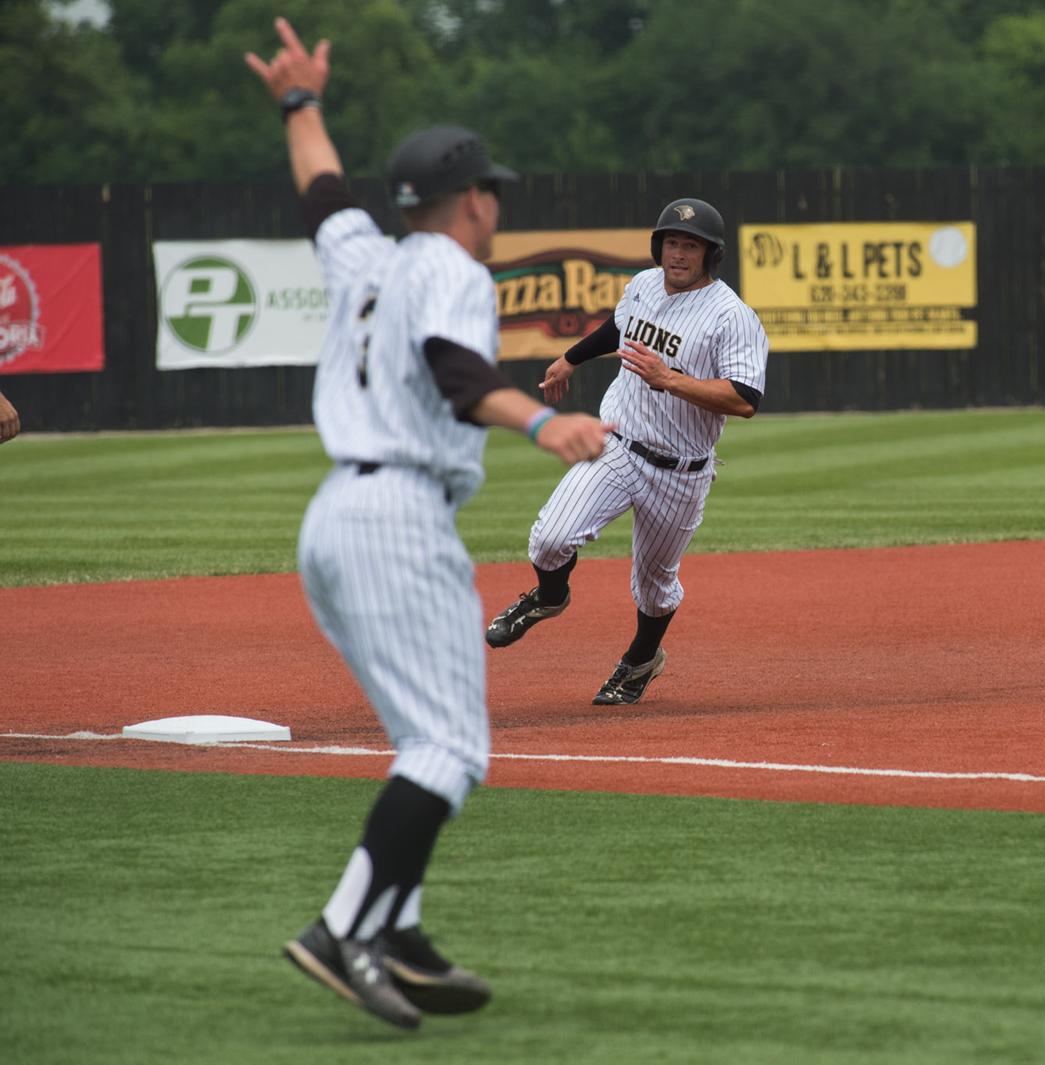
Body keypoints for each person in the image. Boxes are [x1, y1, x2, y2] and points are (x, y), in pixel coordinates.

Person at [245, 17, 611, 1030]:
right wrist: (543, 421)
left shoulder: (368, 252)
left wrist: (299, 101)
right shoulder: (451, 265)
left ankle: (396, 931)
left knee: (430, 738)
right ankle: (343, 929)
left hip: (337, 516)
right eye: (494, 192)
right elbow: (456, 379)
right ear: (476, 200)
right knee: (448, 749)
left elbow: (322, 188)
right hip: (399, 513)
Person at [484, 196, 769, 706]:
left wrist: (671, 380)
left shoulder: (732, 316)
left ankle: (641, 660)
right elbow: (620, 329)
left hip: (681, 470)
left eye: (691, 246)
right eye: (672, 243)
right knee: (550, 538)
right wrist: (570, 359)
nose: (679, 255)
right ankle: (549, 599)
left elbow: (745, 400)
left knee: (656, 587)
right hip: (617, 443)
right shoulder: (642, 284)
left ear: (710, 255)